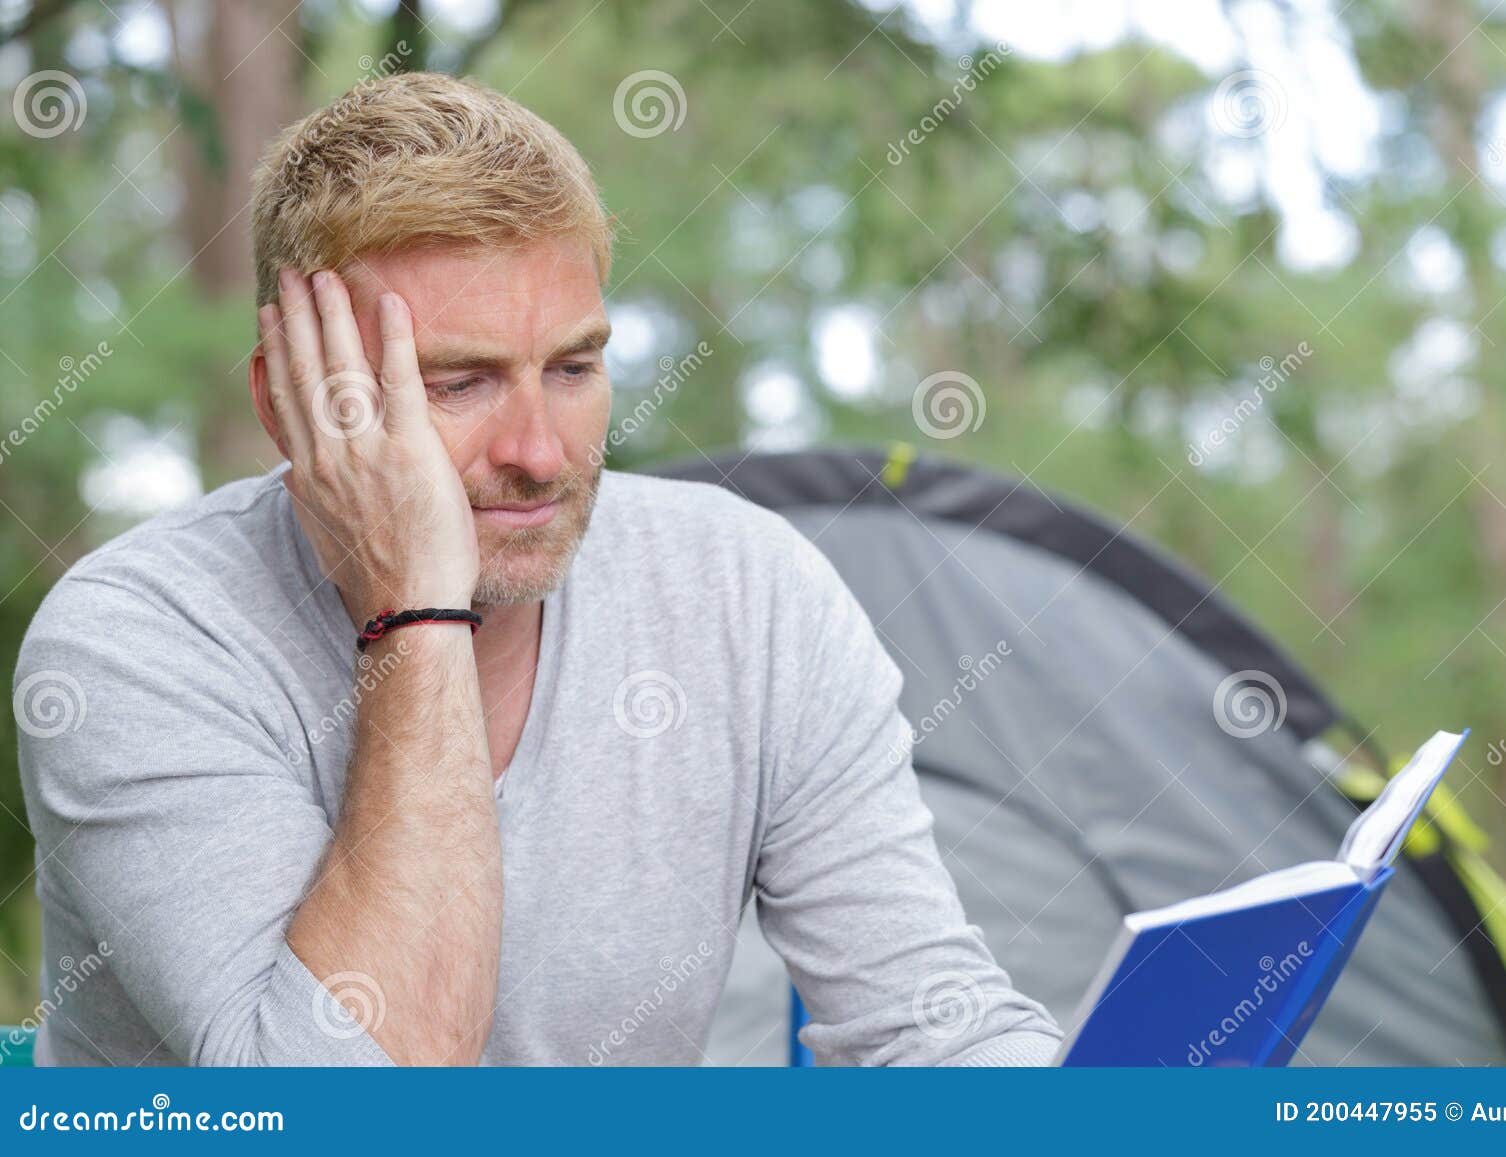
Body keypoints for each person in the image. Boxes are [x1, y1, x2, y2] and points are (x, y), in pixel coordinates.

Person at [14, 72, 1061, 1067]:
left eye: (573, 368)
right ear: (292, 398)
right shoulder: (135, 641)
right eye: (460, 382)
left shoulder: (750, 593)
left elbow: (927, 1024)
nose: (542, 452)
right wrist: (417, 609)